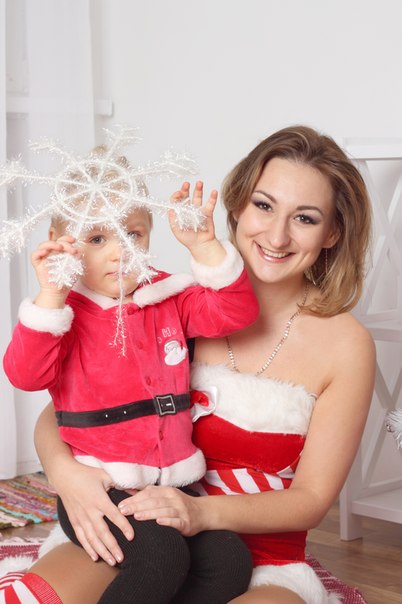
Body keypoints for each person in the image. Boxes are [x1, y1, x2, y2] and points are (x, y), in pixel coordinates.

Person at [4, 125, 375, 604]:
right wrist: (67, 476)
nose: (277, 235)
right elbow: (62, 408)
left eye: (305, 218)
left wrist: (200, 514)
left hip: (262, 557)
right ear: (237, 207)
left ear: (332, 232)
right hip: (137, 527)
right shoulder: (175, 309)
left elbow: (312, 500)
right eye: (264, 206)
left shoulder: (346, 345)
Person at [2, 159, 258, 603]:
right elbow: (25, 376)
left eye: (133, 234)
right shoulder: (64, 314)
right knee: (161, 556)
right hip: (101, 487)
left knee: (229, 560)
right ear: (61, 243)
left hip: (172, 484)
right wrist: (50, 296)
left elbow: (236, 312)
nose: (120, 252)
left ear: (150, 234)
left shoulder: (168, 296)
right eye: (97, 238)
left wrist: (205, 247)